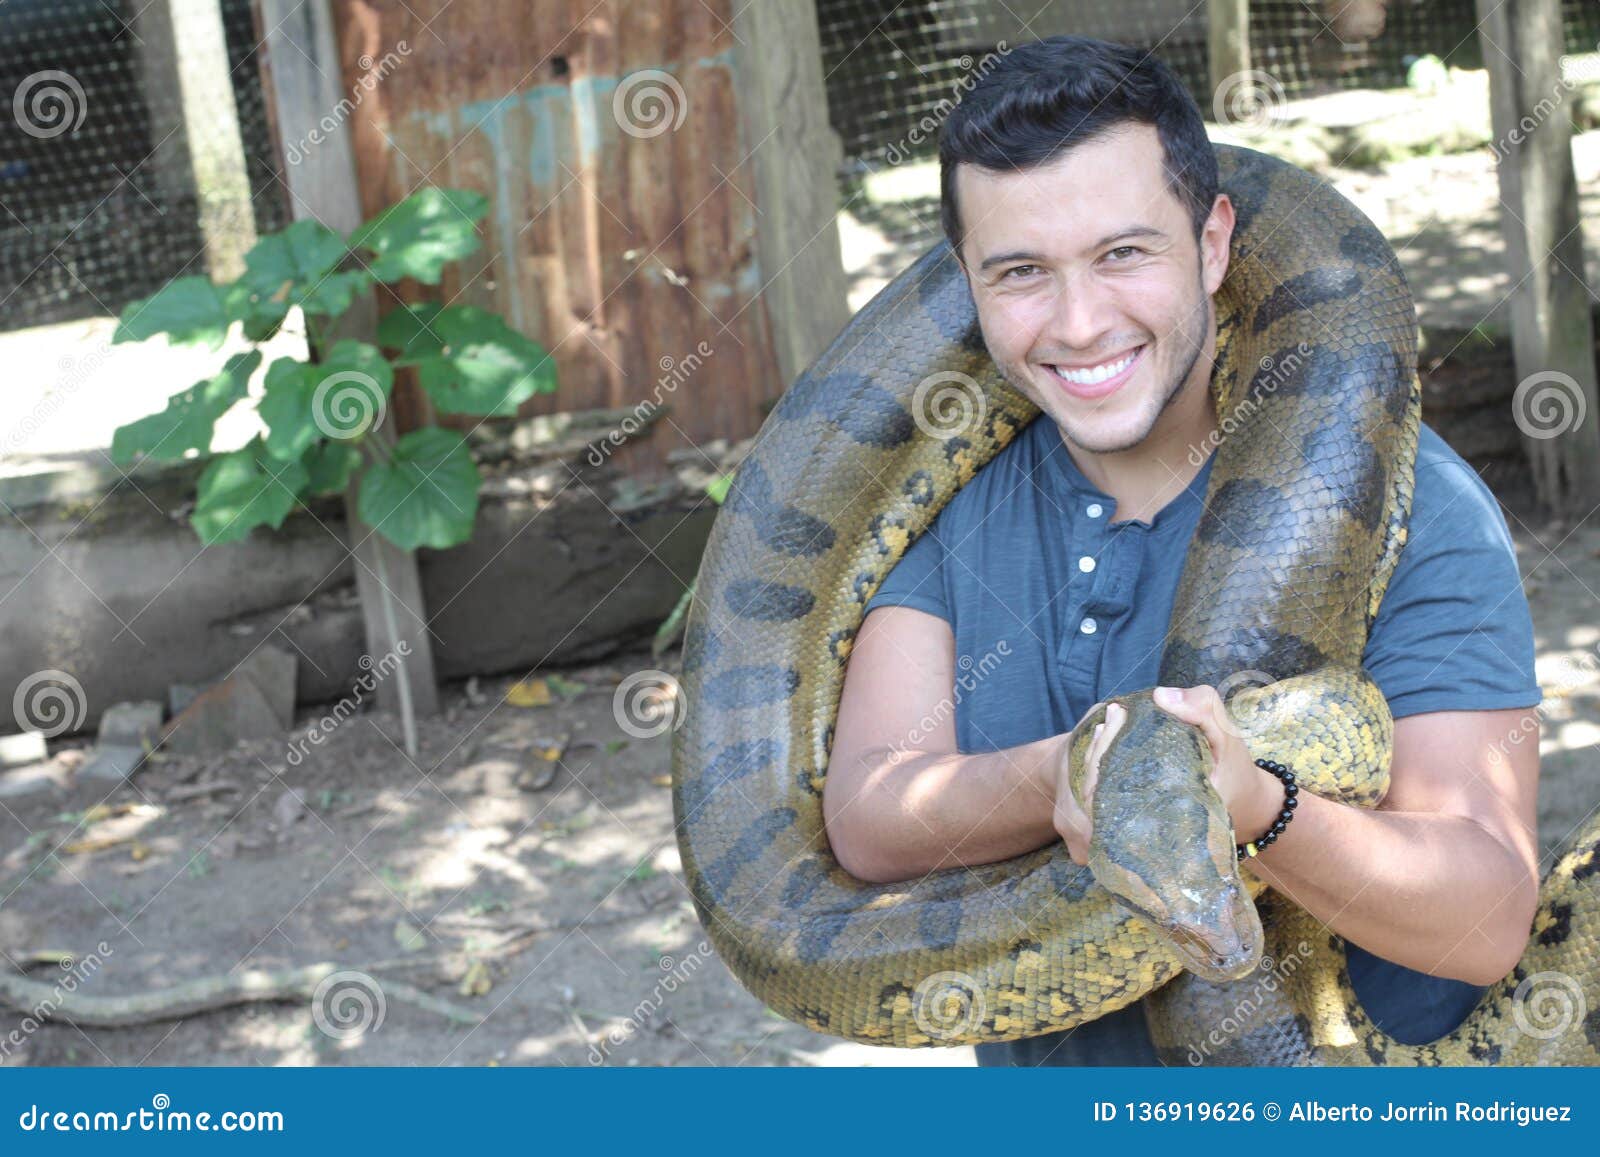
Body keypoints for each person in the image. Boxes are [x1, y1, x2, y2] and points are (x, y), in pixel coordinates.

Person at [820, 36, 1543, 1066]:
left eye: (1123, 253)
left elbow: (1484, 914)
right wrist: (1065, 774)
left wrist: (1259, 807)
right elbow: (869, 813)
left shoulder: (1418, 501)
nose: (1079, 322)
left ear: (1211, 244)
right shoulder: (949, 511)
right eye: (1021, 271)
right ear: (968, 286)